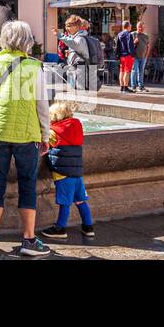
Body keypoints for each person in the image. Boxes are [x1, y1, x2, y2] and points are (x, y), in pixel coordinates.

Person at [0, 20, 51, 257]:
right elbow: (42, 105)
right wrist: (45, 134)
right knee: (27, 183)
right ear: (26, 41)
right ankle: (29, 240)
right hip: (25, 134)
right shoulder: (33, 66)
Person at [39, 101, 95, 241]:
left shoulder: (53, 132)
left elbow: (43, 142)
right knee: (81, 200)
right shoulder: (76, 128)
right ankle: (88, 227)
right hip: (76, 173)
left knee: (65, 202)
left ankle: (60, 228)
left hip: (62, 174)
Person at [62, 15, 100, 91]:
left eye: (69, 26)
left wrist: (60, 35)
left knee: (79, 92)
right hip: (75, 68)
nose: (67, 28)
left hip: (79, 69)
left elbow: (74, 44)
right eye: (66, 26)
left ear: (77, 27)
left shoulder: (80, 38)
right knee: (74, 92)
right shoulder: (77, 37)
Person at [114, 20, 135, 92]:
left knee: (121, 71)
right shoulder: (129, 34)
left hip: (121, 56)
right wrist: (132, 55)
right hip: (128, 56)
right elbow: (130, 46)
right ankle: (125, 87)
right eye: (130, 25)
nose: (131, 26)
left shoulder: (119, 34)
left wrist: (118, 55)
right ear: (128, 26)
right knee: (127, 71)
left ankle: (122, 87)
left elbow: (117, 46)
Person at [131, 21, 151, 92]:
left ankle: (141, 87)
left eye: (142, 27)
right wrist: (134, 42)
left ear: (144, 28)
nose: (140, 28)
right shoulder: (133, 34)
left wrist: (146, 56)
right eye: (139, 27)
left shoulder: (146, 36)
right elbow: (129, 46)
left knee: (141, 72)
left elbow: (148, 46)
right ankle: (133, 87)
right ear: (137, 27)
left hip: (143, 57)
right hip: (135, 57)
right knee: (134, 71)